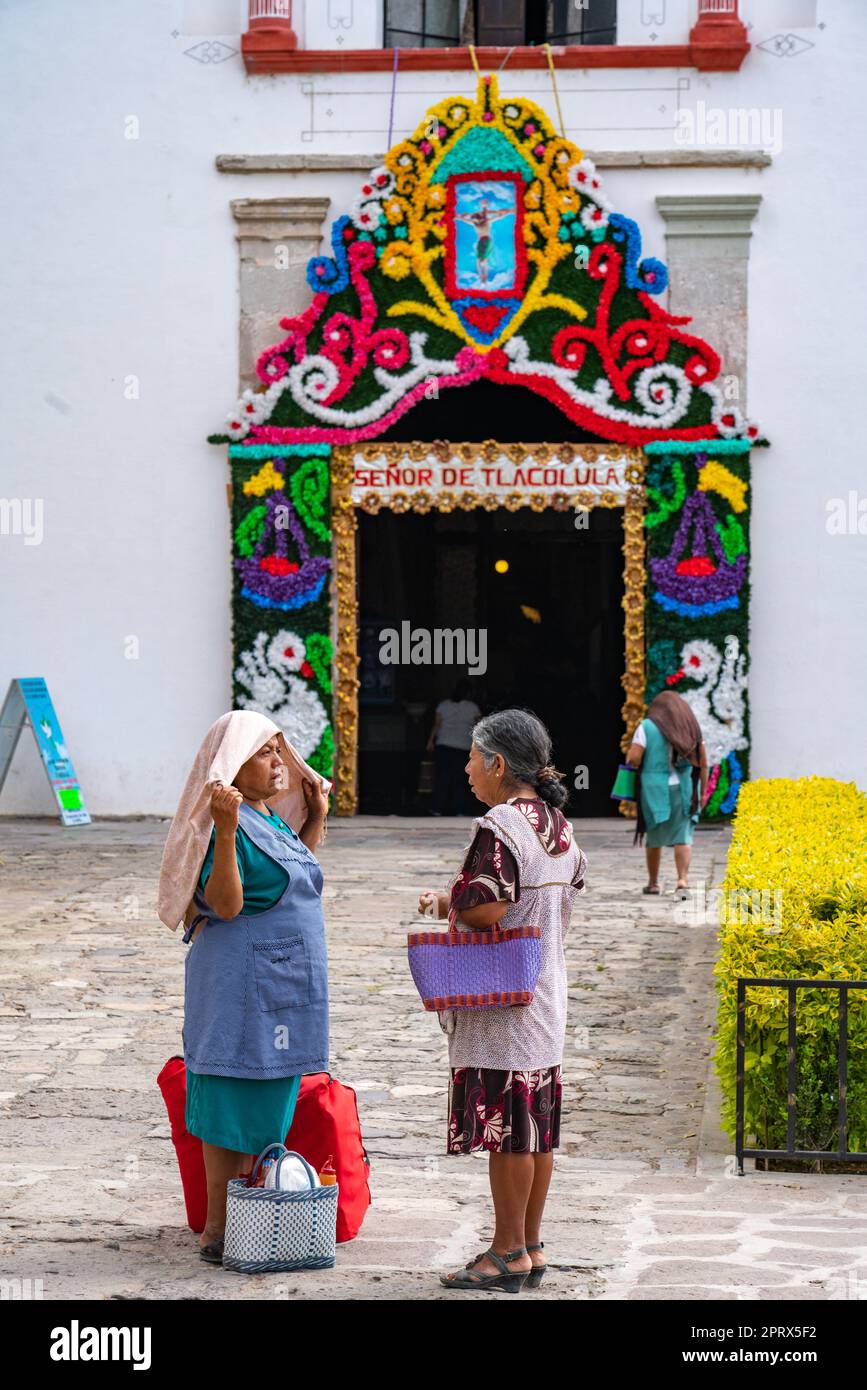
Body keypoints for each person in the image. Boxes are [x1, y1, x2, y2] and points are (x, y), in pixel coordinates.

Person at [418, 709, 587, 1293]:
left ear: (496, 763)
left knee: (508, 1130)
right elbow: (547, 891)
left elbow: (487, 907)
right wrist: (453, 898)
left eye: (472, 756)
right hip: (547, 991)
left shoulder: (500, 825)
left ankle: (505, 1250)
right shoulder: (557, 823)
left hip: (504, 1000)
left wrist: (455, 902)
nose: (465, 767)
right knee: (534, 1124)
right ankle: (532, 1246)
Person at [157, 710, 330, 1264]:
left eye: (280, 751)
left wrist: (316, 817)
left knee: (267, 1099)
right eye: (266, 753)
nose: (280, 762)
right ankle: (217, 1229)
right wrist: (226, 829)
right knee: (231, 1101)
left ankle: (253, 1217)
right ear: (234, 768)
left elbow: (292, 870)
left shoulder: (268, 817)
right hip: (239, 988)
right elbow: (229, 904)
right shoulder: (225, 823)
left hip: (280, 987)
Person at [625, 690, 709, 897]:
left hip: (654, 788)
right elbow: (704, 763)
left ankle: (653, 883)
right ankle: (682, 880)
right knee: (683, 836)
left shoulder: (647, 727)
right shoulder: (690, 727)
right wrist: (703, 793)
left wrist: (637, 760)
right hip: (685, 787)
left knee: (654, 835)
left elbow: (633, 758)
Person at [426, 680, 481, 815]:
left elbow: (437, 724)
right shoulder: (473, 707)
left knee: (442, 778)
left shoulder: (443, 706)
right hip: (463, 747)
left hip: (443, 745)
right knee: (461, 780)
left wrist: (430, 741)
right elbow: (480, 726)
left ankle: (437, 809)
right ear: (469, 693)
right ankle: (460, 810)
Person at [455, 199, 511, 286]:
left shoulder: (486, 222)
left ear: (480, 218)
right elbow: (466, 221)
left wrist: (503, 214)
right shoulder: (475, 224)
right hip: (481, 242)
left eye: (477, 219)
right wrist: (458, 217)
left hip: (486, 242)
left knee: (483, 260)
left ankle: (484, 276)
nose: (476, 221)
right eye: (475, 220)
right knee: (479, 260)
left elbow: (496, 218)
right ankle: (482, 276)